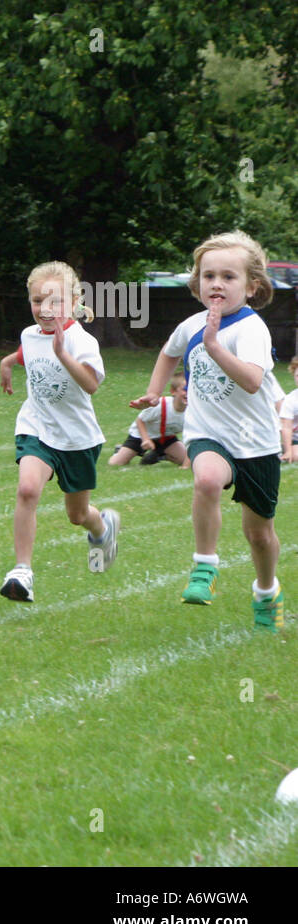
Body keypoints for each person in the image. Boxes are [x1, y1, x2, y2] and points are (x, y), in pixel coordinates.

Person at [130, 231, 283, 631]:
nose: (217, 283)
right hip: (207, 435)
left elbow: (251, 380)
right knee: (208, 480)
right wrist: (153, 390)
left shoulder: (252, 329)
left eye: (228, 277)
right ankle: (205, 566)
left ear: (251, 287)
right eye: (208, 275)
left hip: (256, 443)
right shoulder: (191, 324)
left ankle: (266, 592)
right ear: (197, 285)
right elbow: (169, 352)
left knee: (259, 534)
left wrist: (215, 347)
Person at [0, 261, 119, 603]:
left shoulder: (82, 342)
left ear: (75, 301)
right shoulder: (29, 333)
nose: (45, 310)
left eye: (55, 302)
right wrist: (8, 363)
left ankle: (102, 528)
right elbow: (28, 350)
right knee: (27, 489)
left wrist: (63, 355)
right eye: (38, 301)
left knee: (76, 515)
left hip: (76, 437)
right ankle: (22, 571)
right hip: (36, 425)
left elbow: (91, 384)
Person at [108, 374, 188, 467]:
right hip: (141, 435)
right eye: (184, 390)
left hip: (166, 437)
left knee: (187, 459)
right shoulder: (161, 404)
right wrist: (146, 439)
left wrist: (185, 466)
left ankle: (160, 455)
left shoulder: (192, 411)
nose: (187, 393)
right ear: (173, 391)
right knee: (115, 463)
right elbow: (140, 420)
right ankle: (119, 451)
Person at [280, 358, 298, 463]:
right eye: (297, 376)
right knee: (295, 456)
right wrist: (288, 451)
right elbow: (286, 427)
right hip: (295, 440)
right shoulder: (291, 399)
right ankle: (284, 449)